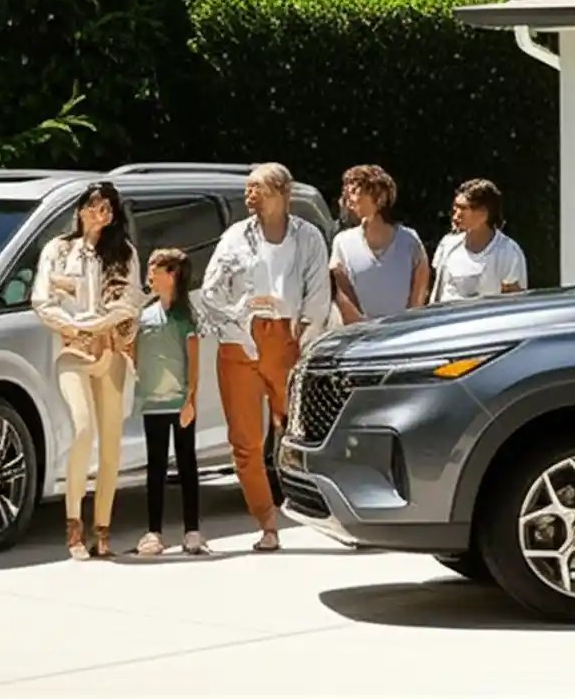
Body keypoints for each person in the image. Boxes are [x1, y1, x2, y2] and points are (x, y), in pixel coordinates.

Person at [200, 162, 331, 552]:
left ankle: (323, 508)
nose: (249, 194)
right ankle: (267, 522)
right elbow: (210, 290)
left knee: (299, 429)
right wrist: (241, 310)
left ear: (280, 193)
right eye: (248, 188)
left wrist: (305, 336)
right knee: (244, 440)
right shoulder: (235, 236)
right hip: (240, 339)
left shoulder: (307, 238)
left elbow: (318, 291)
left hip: (285, 338)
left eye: (256, 188)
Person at [32, 181, 143, 560]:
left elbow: (130, 304)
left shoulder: (123, 253)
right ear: (81, 209)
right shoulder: (59, 251)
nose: (103, 211)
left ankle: (104, 529)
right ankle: (73, 524)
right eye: (96, 204)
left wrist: (101, 326)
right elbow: (43, 301)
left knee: (111, 444)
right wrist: (79, 327)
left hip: (111, 351)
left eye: (109, 205)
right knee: (82, 429)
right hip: (73, 350)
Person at [130, 248, 208, 556]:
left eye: (155, 269)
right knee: (156, 467)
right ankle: (154, 531)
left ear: (172, 274)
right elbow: (135, 353)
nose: (149, 275)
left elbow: (193, 361)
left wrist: (191, 399)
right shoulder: (144, 316)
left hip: (179, 402)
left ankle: (192, 530)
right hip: (153, 402)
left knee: (187, 464)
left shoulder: (185, 317)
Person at [330, 165, 430, 322]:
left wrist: (407, 327)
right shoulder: (342, 242)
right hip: (362, 337)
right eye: (347, 194)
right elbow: (342, 295)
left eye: (355, 192)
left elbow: (418, 294)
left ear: (380, 197)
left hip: (404, 334)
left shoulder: (409, 241)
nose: (349, 200)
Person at [430, 178, 528, 303]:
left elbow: (514, 301)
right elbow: (436, 292)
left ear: (484, 213)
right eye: (455, 209)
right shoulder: (448, 245)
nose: (456, 216)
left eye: (463, 209)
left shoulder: (508, 252)